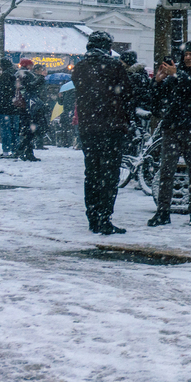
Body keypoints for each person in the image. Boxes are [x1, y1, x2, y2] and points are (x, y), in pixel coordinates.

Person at [71, 31, 133, 235]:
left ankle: (92, 216)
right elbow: (127, 94)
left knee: (92, 173)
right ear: (107, 47)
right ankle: (104, 217)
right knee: (109, 174)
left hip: (88, 128)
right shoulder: (114, 67)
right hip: (111, 128)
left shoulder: (80, 68)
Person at [149, 40, 191, 227]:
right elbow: (156, 102)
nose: (188, 57)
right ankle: (163, 211)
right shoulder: (177, 76)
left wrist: (177, 75)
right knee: (166, 171)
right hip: (172, 128)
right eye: (186, 54)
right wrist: (157, 82)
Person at [15, 59, 46, 161]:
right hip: (29, 106)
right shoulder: (26, 74)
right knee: (30, 129)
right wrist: (41, 78)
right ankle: (24, 150)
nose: (32, 67)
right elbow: (30, 87)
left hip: (24, 106)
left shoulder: (19, 74)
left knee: (27, 129)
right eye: (30, 65)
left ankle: (24, 150)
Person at [0, 58, 19, 158]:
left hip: (5, 107)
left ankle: (6, 151)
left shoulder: (5, 75)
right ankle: (15, 150)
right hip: (15, 107)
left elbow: (1, 93)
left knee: (5, 129)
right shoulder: (16, 74)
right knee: (14, 130)